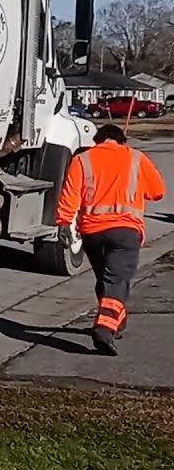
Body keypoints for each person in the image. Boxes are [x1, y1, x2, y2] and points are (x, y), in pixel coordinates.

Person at [56, 123, 165, 356]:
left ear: (97, 141)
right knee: (116, 281)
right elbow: (158, 192)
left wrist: (64, 222)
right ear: (121, 141)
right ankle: (105, 328)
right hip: (126, 231)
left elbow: (70, 194)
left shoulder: (82, 160)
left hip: (92, 233)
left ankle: (117, 321)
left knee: (106, 279)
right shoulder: (136, 158)